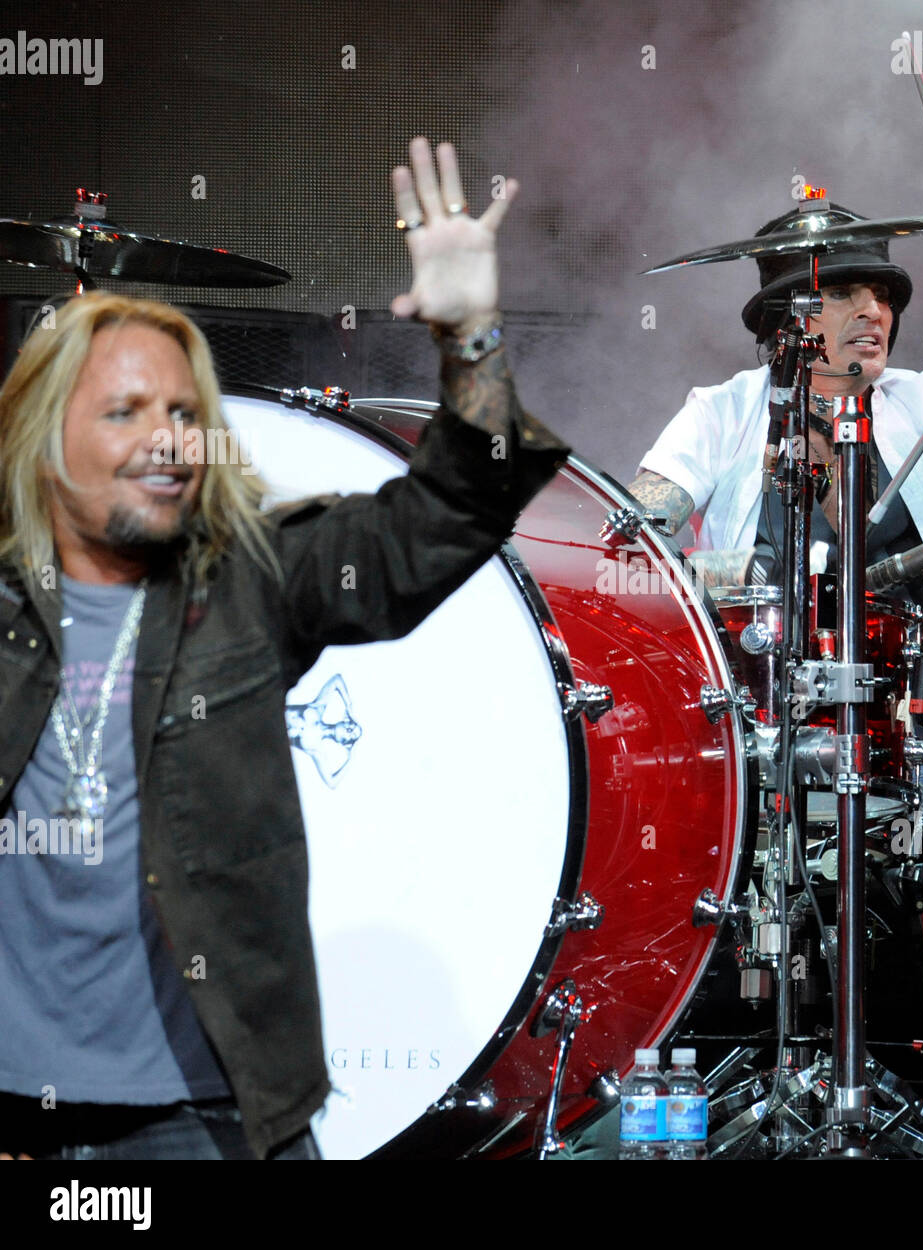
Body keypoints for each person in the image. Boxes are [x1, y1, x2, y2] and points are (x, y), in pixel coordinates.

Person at [0, 139, 567, 1159]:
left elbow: (454, 509)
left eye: (184, 412)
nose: (167, 438)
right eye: (124, 411)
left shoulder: (249, 584)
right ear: (44, 435)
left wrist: (471, 337)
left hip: (203, 1119)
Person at [630, 199, 923, 1068]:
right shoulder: (722, 415)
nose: (873, 312)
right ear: (787, 319)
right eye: (845, 293)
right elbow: (632, 543)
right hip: (763, 744)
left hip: (914, 738)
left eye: (882, 294)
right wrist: (735, 581)